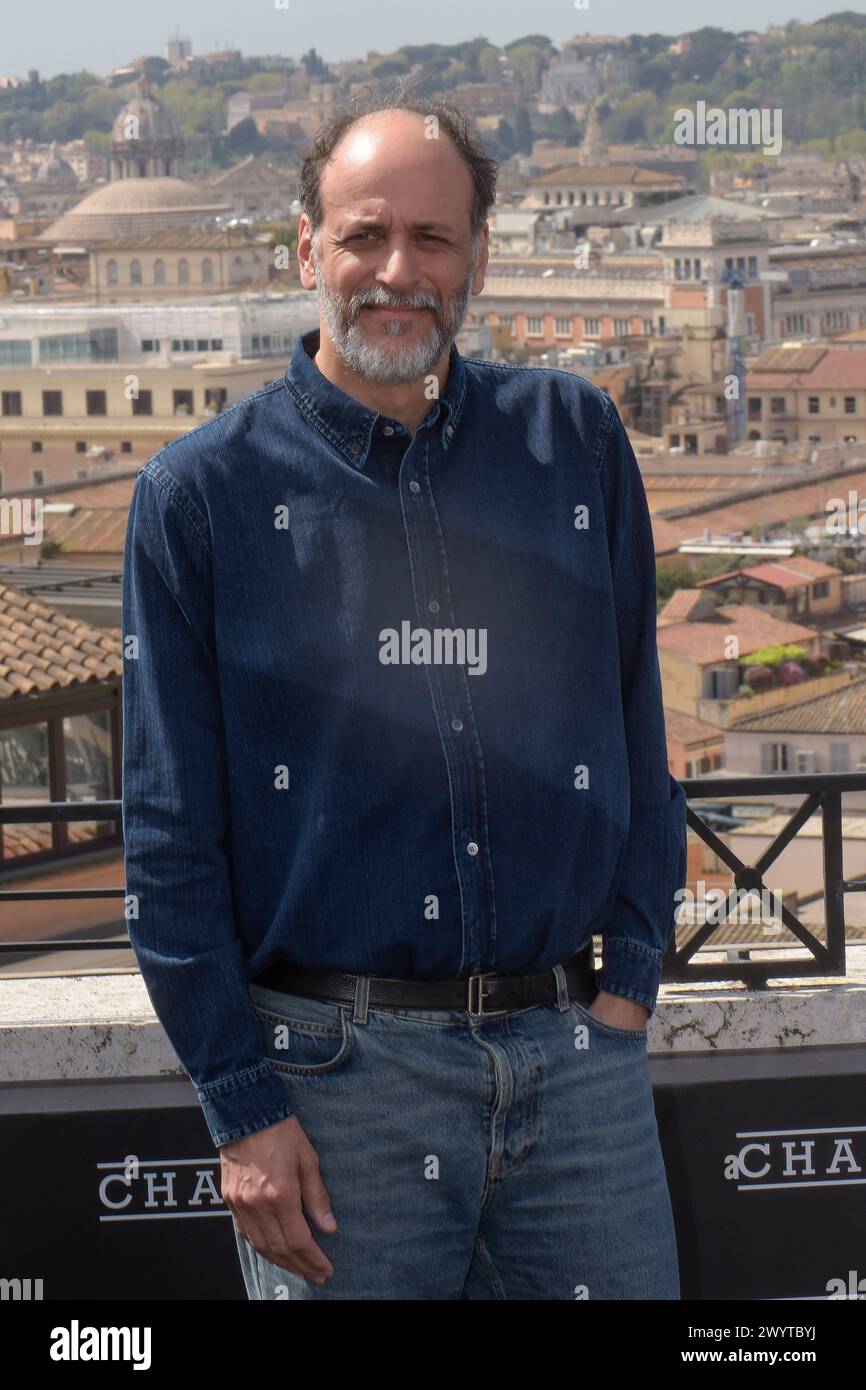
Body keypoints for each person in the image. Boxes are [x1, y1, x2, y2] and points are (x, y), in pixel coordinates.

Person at [121, 90, 687, 1301]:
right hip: (333, 1093)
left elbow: (636, 714)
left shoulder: (573, 442)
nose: (397, 271)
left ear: (478, 255)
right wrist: (239, 1105)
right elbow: (168, 831)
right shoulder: (198, 497)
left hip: (574, 1067)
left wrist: (629, 979)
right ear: (307, 249)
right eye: (364, 235)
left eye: (432, 240)